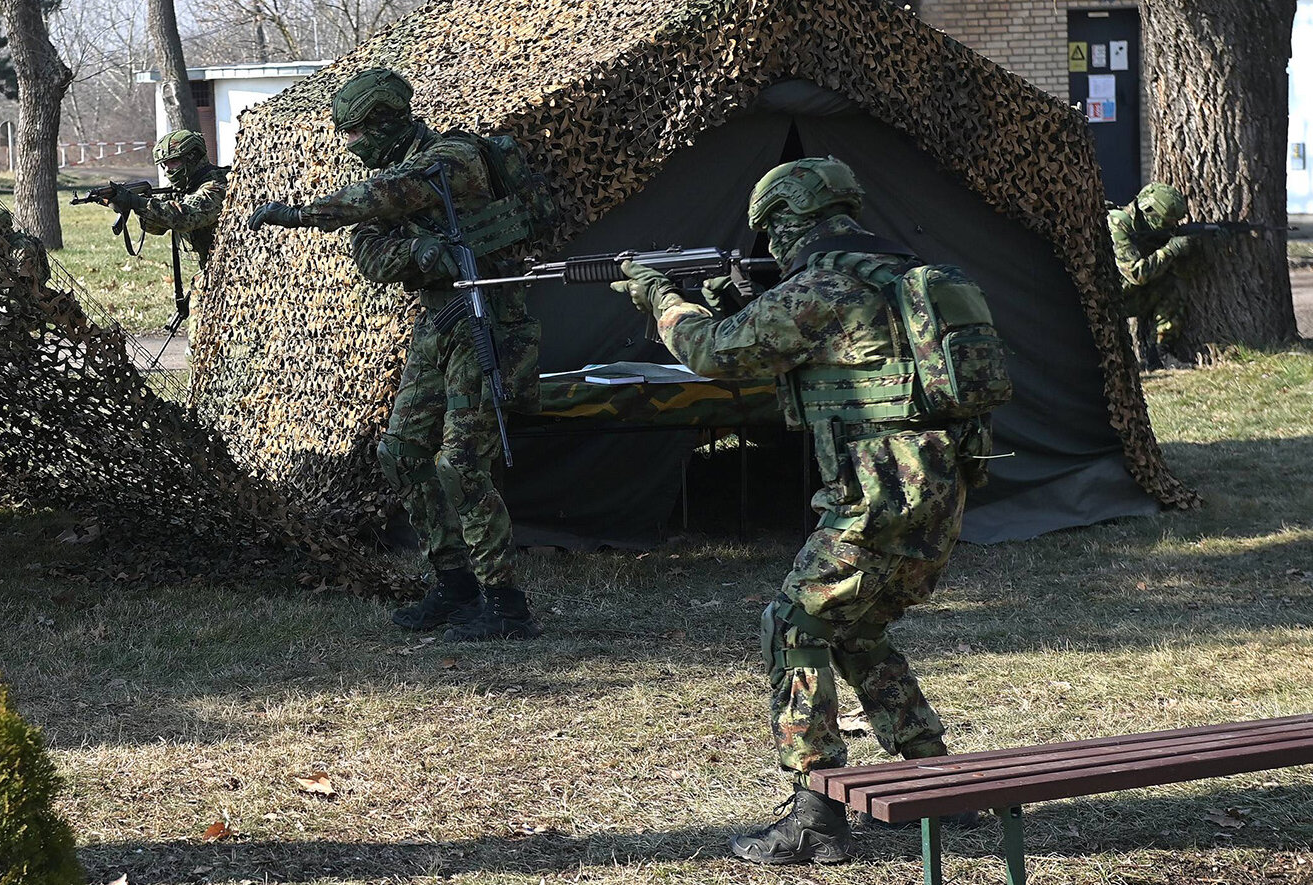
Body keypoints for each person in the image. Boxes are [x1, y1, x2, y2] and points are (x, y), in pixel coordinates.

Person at [614, 157, 998, 864]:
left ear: (787, 222)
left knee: (791, 627)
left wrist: (661, 299)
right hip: (939, 485)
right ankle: (937, 781)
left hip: (875, 493)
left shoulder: (821, 285)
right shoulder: (899, 275)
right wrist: (733, 301)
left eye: (772, 236)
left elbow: (714, 354)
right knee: (853, 628)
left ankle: (814, 813)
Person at [246, 68, 542, 642]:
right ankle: (454, 586)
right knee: (400, 450)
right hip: (439, 321)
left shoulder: (452, 156)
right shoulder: (381, 187)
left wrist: (300, 214)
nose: (352, 146)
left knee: (461, 464)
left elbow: (393, 194)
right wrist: (421, 250)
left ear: (385, 120)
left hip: (491, 317)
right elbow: (375, 260)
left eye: (357, 132)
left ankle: (506, 606)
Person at [108, 128, 228, 331]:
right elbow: (157, 227)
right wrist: (129, 205)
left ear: (193, 157)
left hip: (232, 274)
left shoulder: (216, 186)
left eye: (173, 162)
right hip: (211, 273)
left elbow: (185, 217)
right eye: (164, 165)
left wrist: (137, 203)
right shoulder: (186, 189)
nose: (167, 170)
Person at [1109, 182, 1200, 369]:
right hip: (1100, 303)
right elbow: (1136, 274)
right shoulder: (1118, 224)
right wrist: (1171, 249)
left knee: (1172, 285)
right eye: (1166, 222)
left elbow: (1187, 270)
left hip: (1123, 297)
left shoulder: (1149, 230)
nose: (1170, 227)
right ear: (1147, 210)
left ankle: (1159, 354)